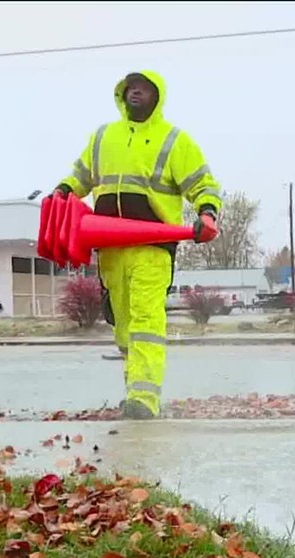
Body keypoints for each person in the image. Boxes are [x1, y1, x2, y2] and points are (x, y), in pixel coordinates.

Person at [52, 70, 222, 420]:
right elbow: (81, 176)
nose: (136, 93)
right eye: (131, 88)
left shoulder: (174, 140)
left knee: (146, 318)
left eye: (143, 89)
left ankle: (144, 400)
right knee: (124, 323)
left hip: (153, 244)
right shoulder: (103, 137)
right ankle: (135, 388)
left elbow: (203, 183)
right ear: (121, 94)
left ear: (156, 97)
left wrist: (207, 213)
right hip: (108, 246)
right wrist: (64, 190)